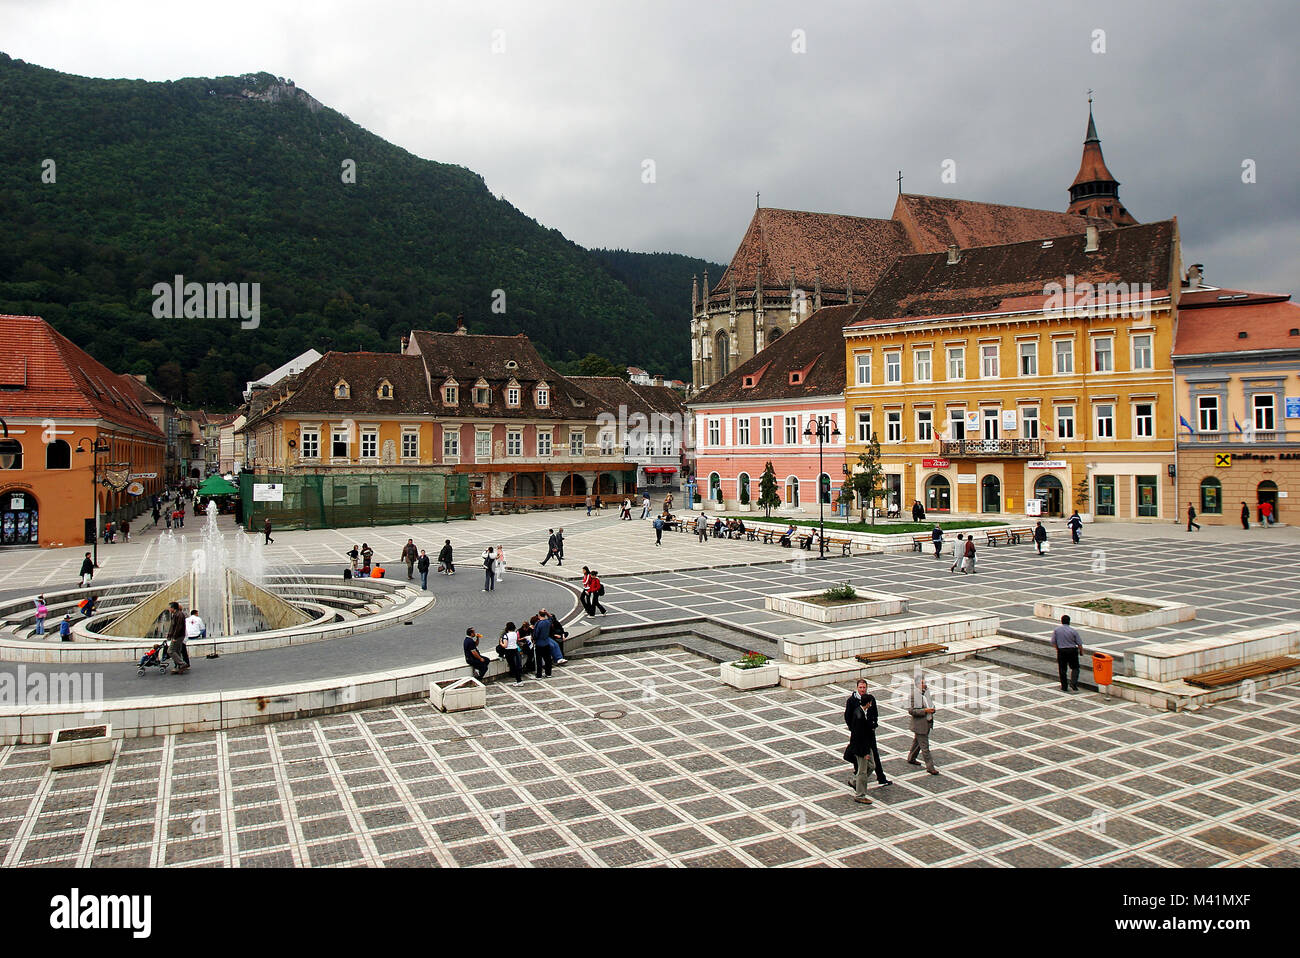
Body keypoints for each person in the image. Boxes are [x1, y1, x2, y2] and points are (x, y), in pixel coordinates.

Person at [844, 679, 890, 803]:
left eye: (864, 687)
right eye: (861, 687)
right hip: (861, 746)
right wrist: (865, 752)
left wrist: (873, 724)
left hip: (867, 741)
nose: (863, 689)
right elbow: (858, 734)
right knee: (862, 770)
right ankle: (860, 795)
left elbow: (874, 715)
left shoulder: (862, 712)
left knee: (872, 765)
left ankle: (855, 781)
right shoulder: (858, 715)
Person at [905, 674, 938, 774]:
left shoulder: (926, 692)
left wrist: (932, 709)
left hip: (927, 723)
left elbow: (930, 703)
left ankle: (911, 758)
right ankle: (930, 767)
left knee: (917, 743)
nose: (924, 684)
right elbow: (911, 711)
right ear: (917, 684)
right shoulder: (913, 696)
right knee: (925, 747)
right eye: (922, 683)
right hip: (920, 725)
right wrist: (925, 710)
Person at [1051, 614, 1084, 693]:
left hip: (1061, 651)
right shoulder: (1073, 631)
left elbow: (1053, 642)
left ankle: (1064, 686)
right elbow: (1079, 643)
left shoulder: (1057, 630)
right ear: (1069, 622)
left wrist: (1057, 649)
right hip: (1072, 651)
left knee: (1062, 669)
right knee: (1075, 668)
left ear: (1061, 621)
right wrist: (1081, 652)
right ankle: (1073, 683)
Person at [166, 600, 189, 674]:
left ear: (173, 608)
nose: (169, 609)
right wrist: (169, 635)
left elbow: (178, 627)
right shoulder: (176, 614)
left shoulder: (179, 615)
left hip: (178, 636)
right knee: (177, 651)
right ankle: (179, 666)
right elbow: (173, 626)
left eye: (170, 608)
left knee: (170, 651)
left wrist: (174, 637)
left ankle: (182, 664)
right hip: (179, 635)